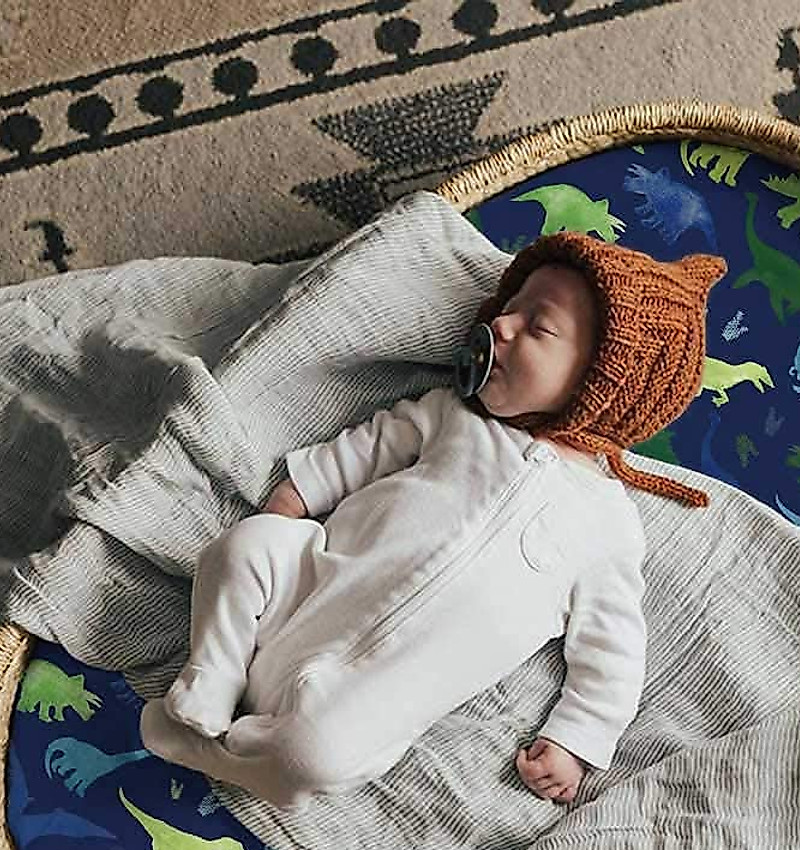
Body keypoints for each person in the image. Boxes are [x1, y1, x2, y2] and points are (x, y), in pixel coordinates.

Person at [139, 233, 727, 808]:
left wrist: (577, 739)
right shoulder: (454, 416)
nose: (503, 324)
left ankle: (215, 751)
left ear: (599, 383)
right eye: (511, 307)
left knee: (314, 757)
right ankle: (214, 675)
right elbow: (369, 447)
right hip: (307, 588)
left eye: (538, 327)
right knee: (244, 547)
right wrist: (297, 496)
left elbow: (615, 646)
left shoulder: (607, 525)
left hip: (368, 698)